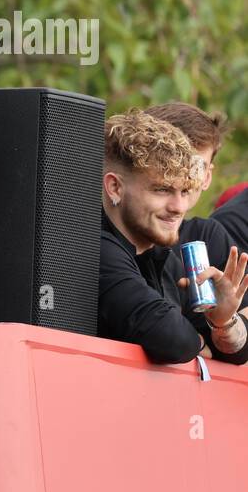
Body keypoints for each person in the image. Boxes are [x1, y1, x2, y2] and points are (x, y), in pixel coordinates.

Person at [97, 110, 248, 365]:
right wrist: (201, 342)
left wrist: (222, 323)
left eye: (185, 190)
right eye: (162, 190)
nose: (179, 206)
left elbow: (235, 353)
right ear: (115, 187)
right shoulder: (93, 248)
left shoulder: (163, 256)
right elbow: (173, 338)